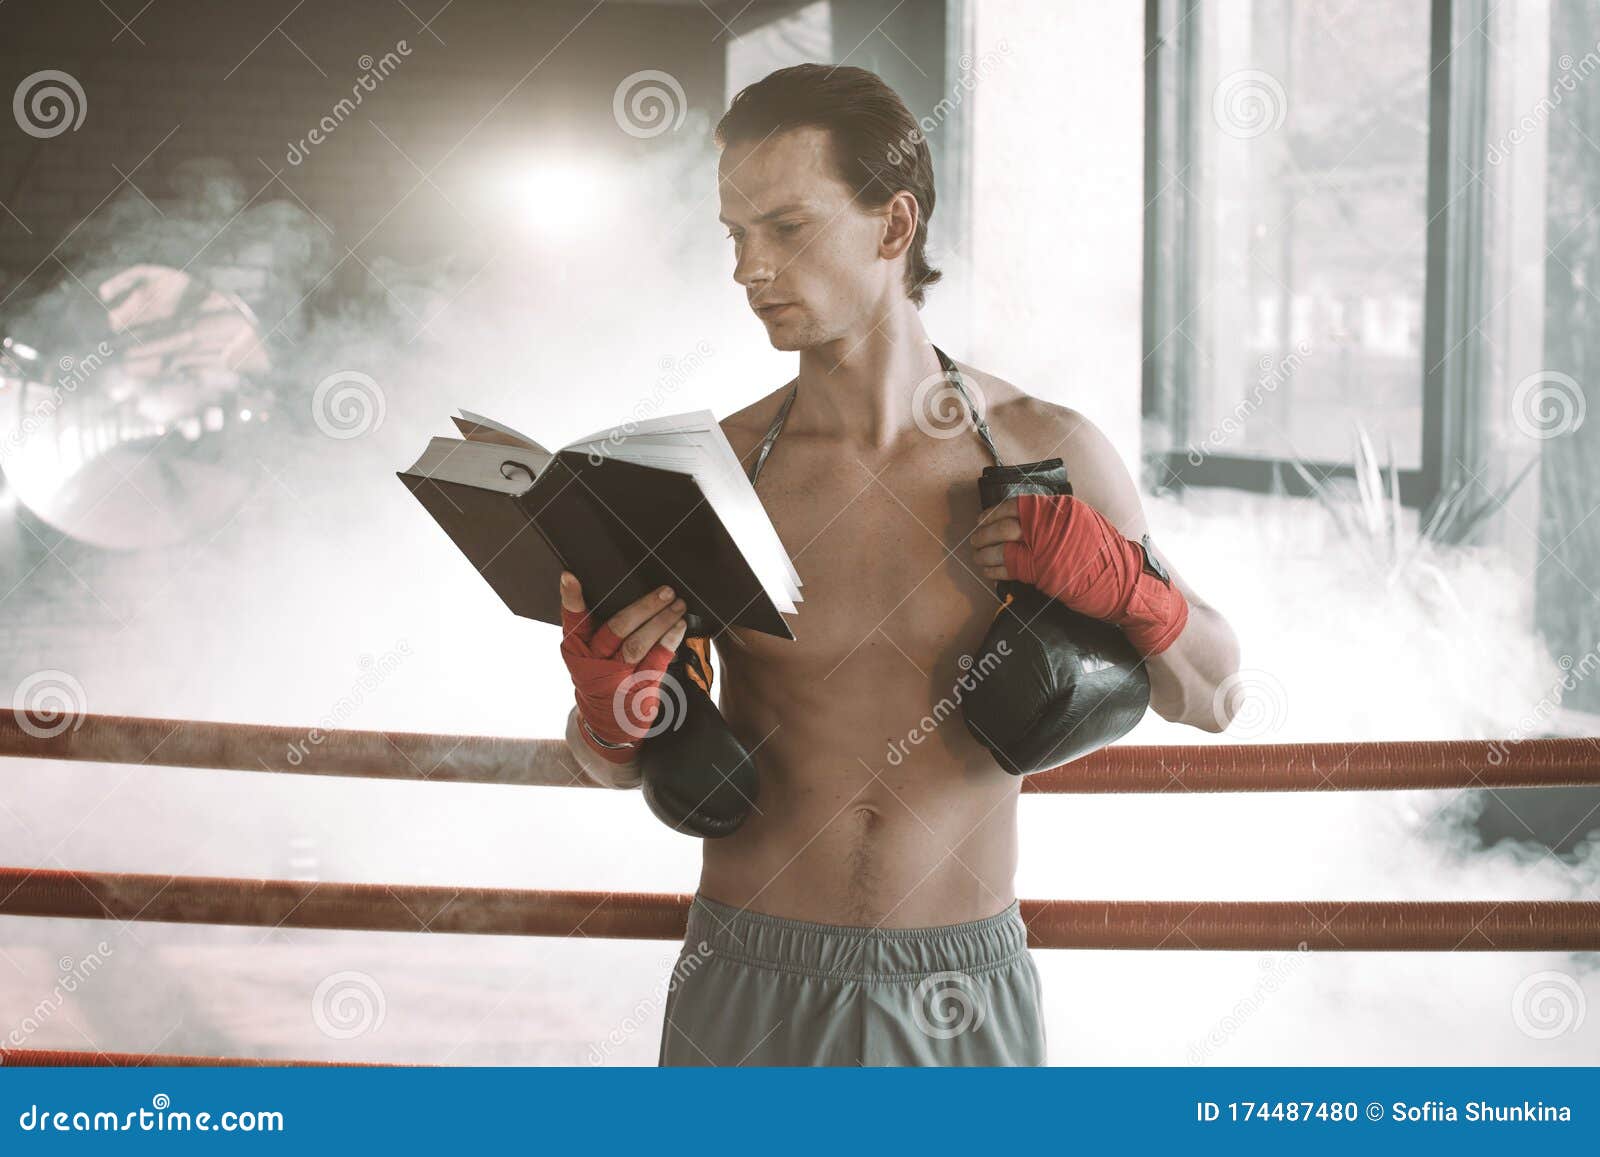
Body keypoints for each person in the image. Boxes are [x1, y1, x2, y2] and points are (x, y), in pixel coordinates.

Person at [558, 63, 1241, 1066]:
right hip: (746, 973)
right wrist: (608, 701)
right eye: (734, 234)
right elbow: (604, 763)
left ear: (892, 226)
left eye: (785, 228)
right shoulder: (709, 479)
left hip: (957, 993)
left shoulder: (1043, 453)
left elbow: (1215, 695)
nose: (747, 268)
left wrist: (1139, 590)